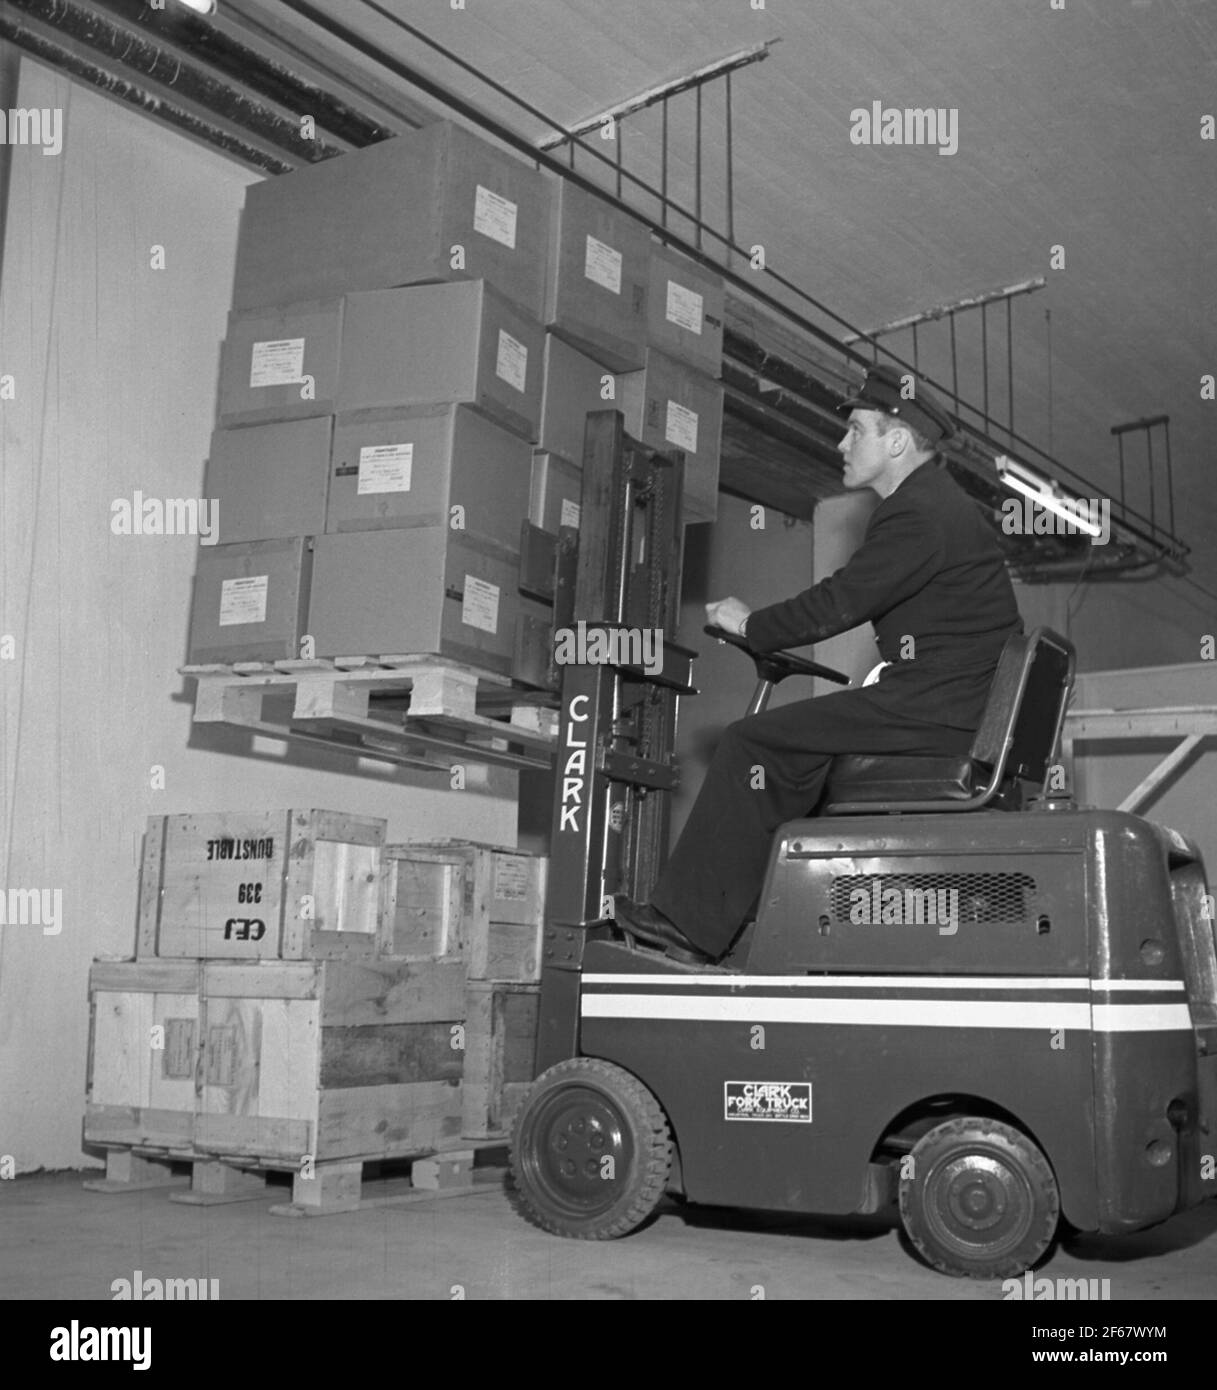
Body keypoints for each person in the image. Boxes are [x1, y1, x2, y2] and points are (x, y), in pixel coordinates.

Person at [613, 362, 1023, 964]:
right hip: (946, 702)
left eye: (856, 431)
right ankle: (764, 918)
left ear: (897, 440)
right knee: (800, 749)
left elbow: (842, 601)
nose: (840, 444)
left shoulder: (920, 510)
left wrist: (752, 625)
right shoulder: (941, 506)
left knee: (752, 742)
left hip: (938, 708)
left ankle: (689, 927)